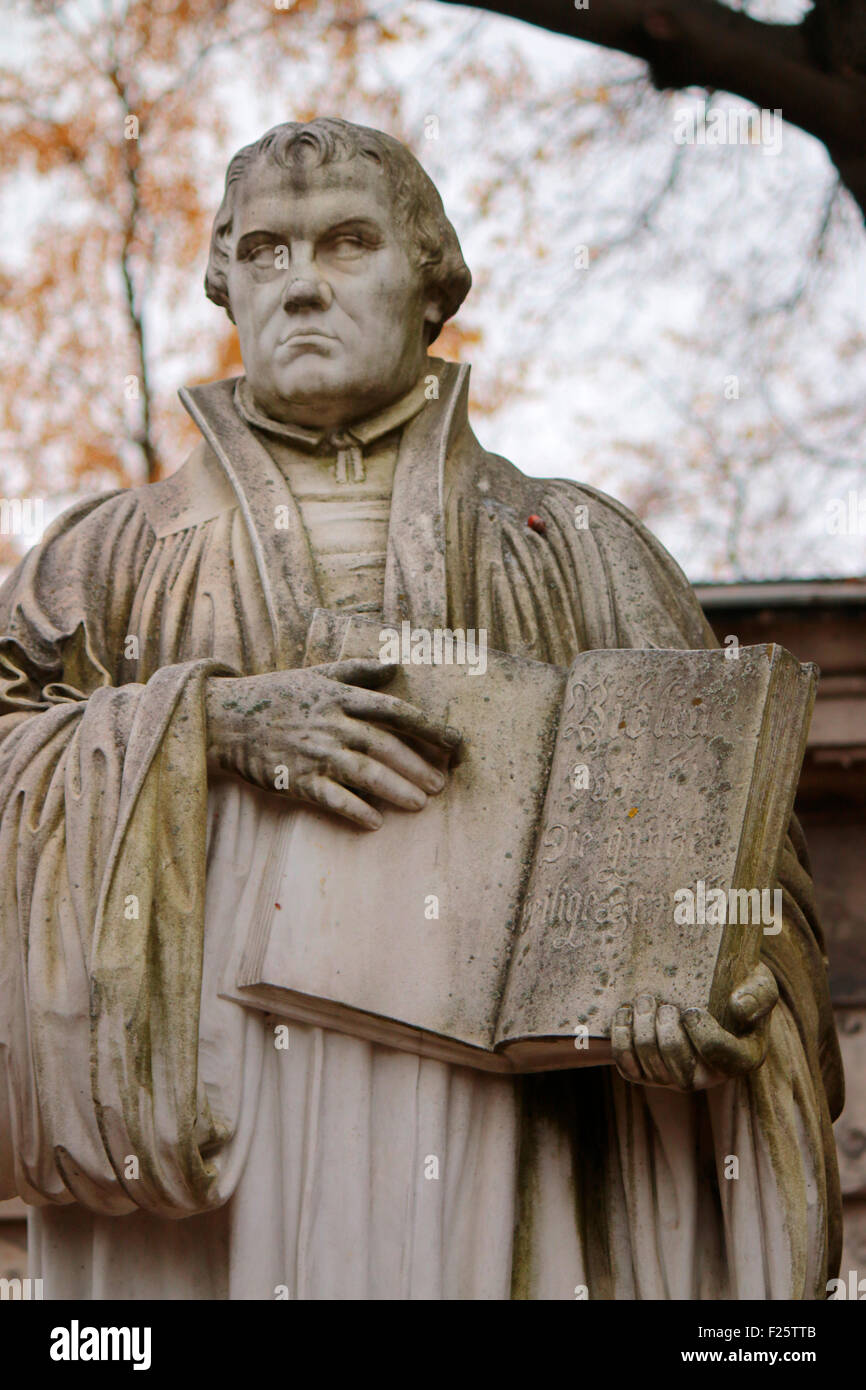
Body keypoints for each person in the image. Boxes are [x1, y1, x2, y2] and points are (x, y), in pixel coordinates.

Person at [0, 118, 842, 1299]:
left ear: (430, 281)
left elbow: (745, 862)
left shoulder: (583, 552)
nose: (301, 285)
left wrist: (703, 999)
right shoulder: (103, 563)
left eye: (347, 244)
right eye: (266, 252)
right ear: (224, 284)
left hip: (511, 1144)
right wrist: (205, 729)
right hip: (212, 1140)